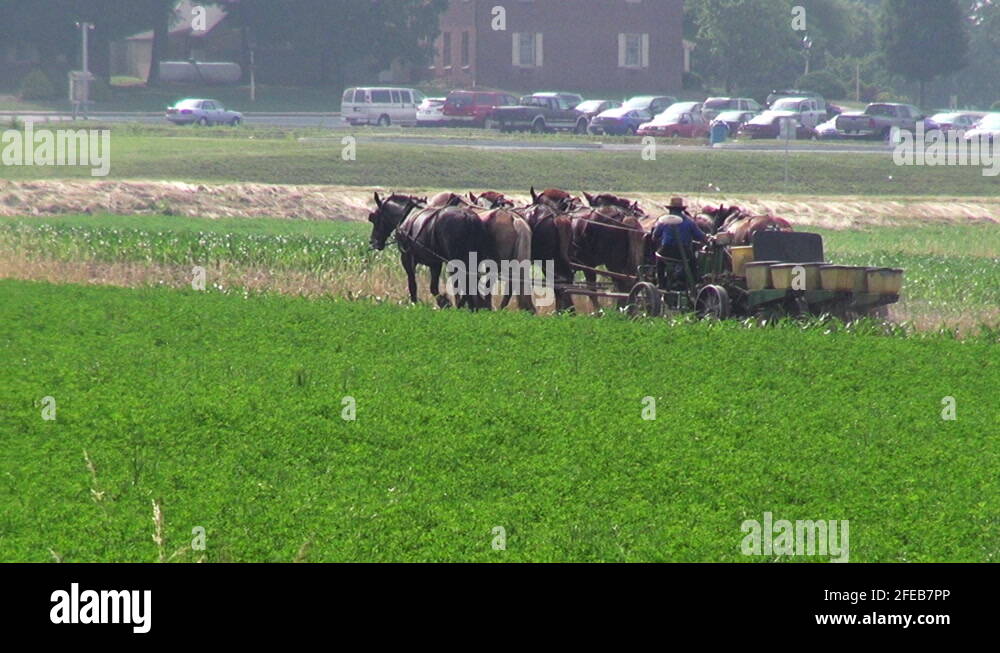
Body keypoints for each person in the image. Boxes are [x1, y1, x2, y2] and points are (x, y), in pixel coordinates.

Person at [653, 197, 708, 288]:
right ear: (681, 210)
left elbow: (655, 236)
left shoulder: (662, 221)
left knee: (659, 262)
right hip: (683, 253)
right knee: (693, 263)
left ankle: (661, 282)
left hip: (666, 251)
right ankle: (693, 283)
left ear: (670, 210)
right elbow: (701, 236)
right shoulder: (690, 222)